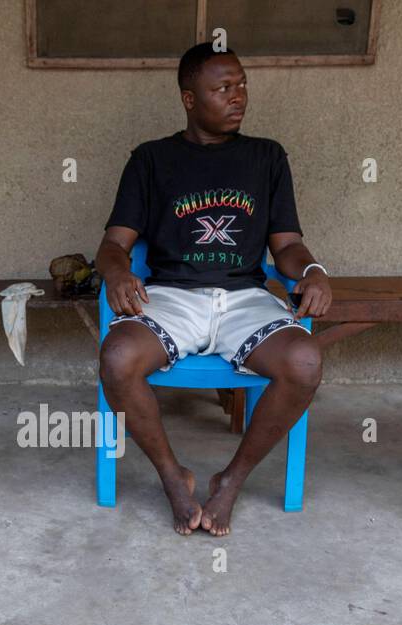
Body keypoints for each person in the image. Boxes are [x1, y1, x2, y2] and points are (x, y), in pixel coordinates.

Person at [96, 43, 331, 536]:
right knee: (118, 359)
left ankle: (231, 480)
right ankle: (172, 477)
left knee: (305, 361)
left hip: (244, 299)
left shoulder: (266, 157)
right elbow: (114, 244)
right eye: (222, 88)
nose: (237, 96)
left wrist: (311, 270)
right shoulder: (152, 159)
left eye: (241, 84)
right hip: (171, 298)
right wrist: (118, 274)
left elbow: (286, 244)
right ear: (188, 98)